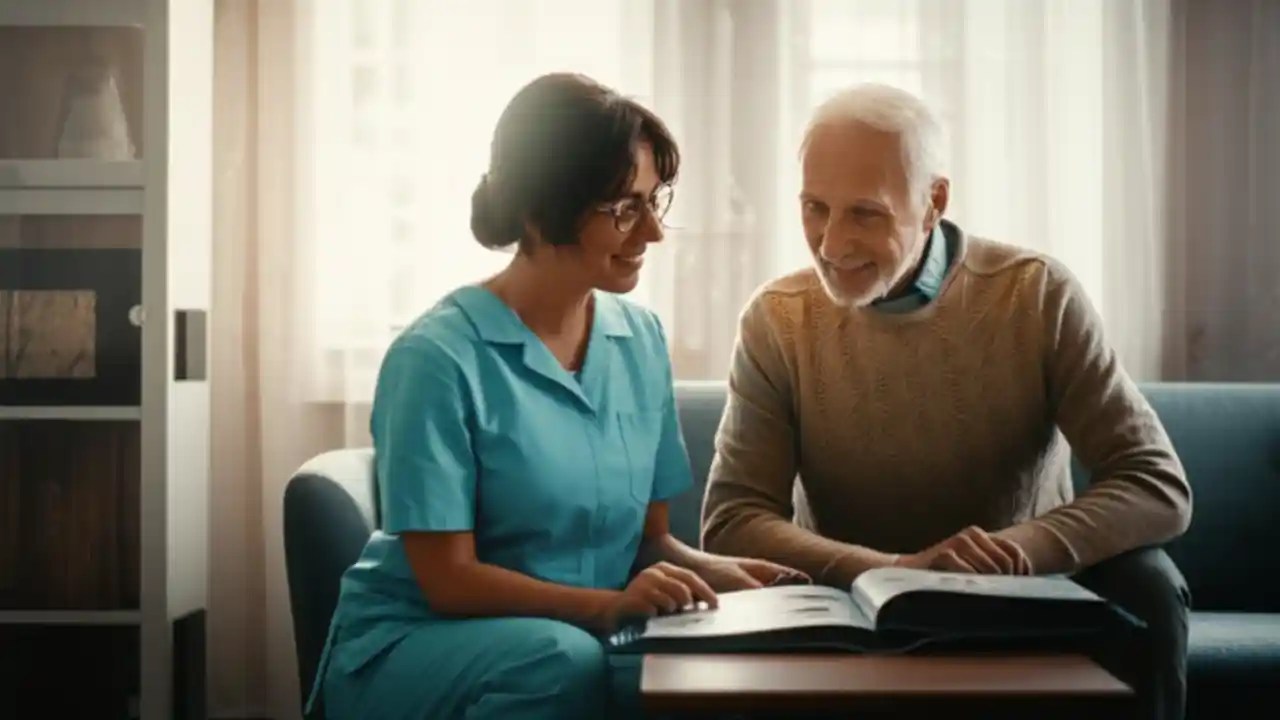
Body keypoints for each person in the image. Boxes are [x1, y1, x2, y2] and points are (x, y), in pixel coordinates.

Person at [306, 72, 806, 720]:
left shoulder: (641, 338)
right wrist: (607, 609)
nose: (651, 232)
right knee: (565, 661)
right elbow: (448, 581)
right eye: (624, 208)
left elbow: (648, 542)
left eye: (656, 201)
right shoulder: (435, 359)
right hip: (418, 640)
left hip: (571, 632)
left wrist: (733, 579)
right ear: (542, 210)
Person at [700, 83, 1193, 720]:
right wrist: (900, 570)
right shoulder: (777, 319)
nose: (829, 244)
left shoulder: (1036, 294)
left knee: (1150, 586)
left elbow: (1158, 484)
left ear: (934, 201)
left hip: (1029, 591)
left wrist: (1018, 551)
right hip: (852, 597)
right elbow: (731, 519)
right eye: (815, 208)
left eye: (865, 213)